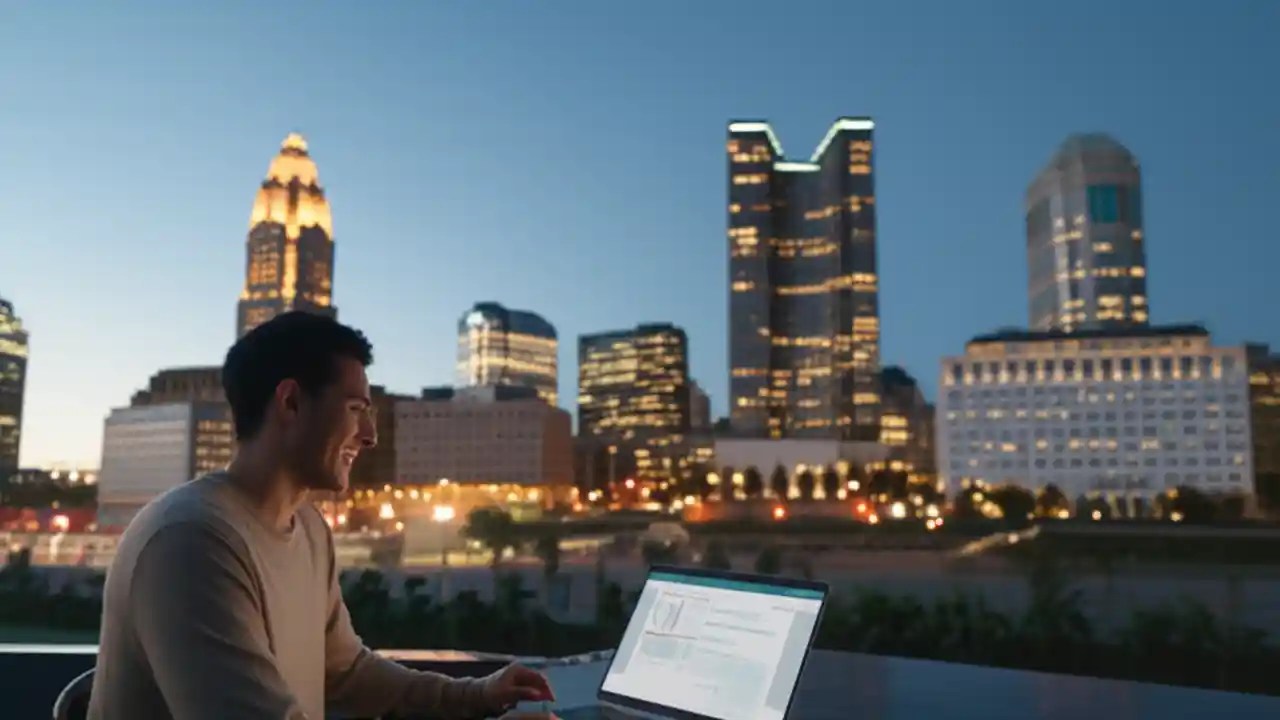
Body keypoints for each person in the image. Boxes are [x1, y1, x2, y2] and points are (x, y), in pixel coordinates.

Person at [88, 312, 556, 719]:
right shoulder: (190, 542)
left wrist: (476, 697)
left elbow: (346, 671)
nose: (369, 434)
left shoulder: (309, 528)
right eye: (355, 409)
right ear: (290, 402)